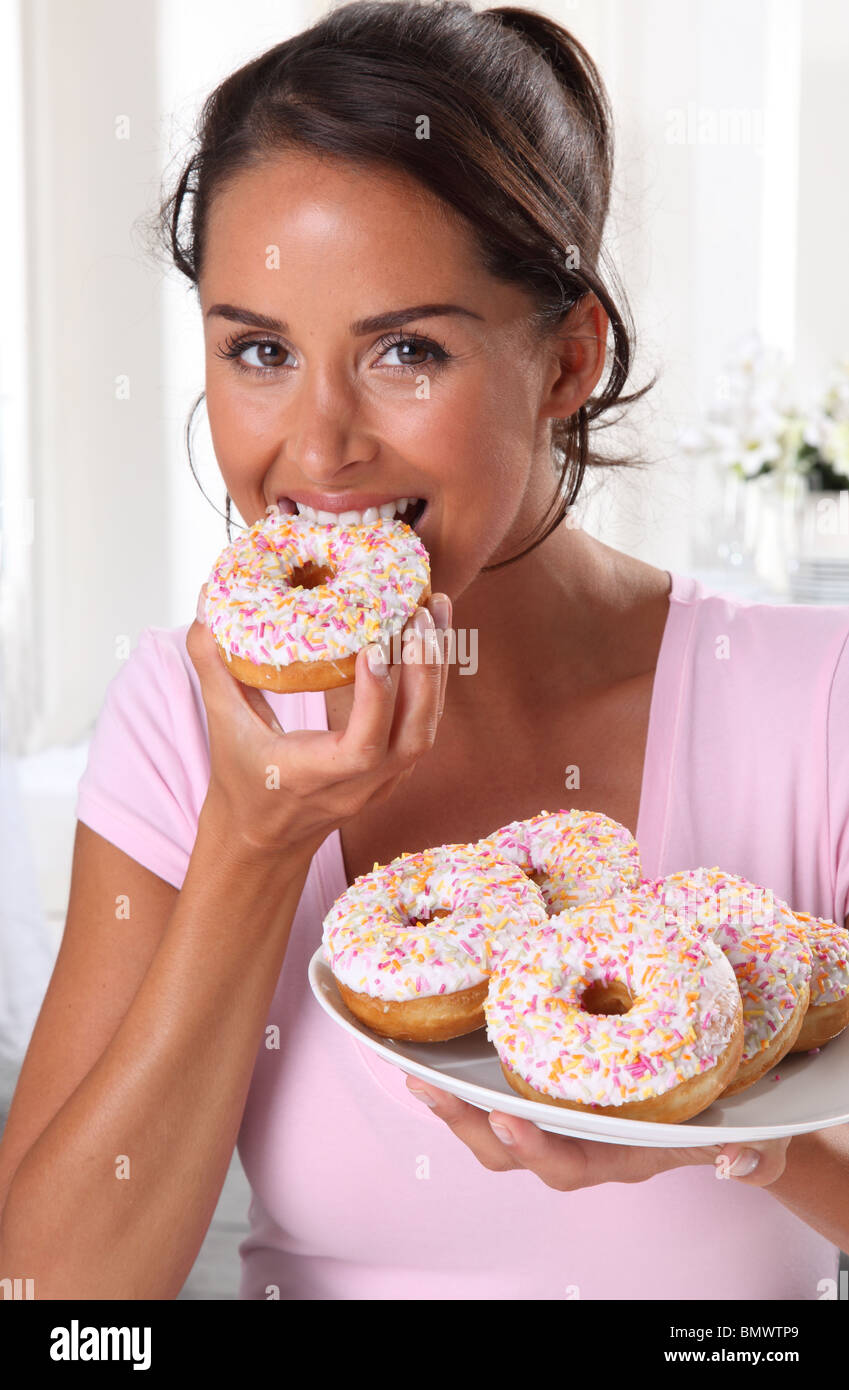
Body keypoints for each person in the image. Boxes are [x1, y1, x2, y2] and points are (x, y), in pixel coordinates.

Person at [1, 0, 847, 1301]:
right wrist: (252, 844)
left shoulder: (814, 703)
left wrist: (722, 1129)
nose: (320, 445)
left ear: (566, 359)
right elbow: (54, 1309)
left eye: (407, 351)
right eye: (259, 351)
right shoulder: (184, 717)